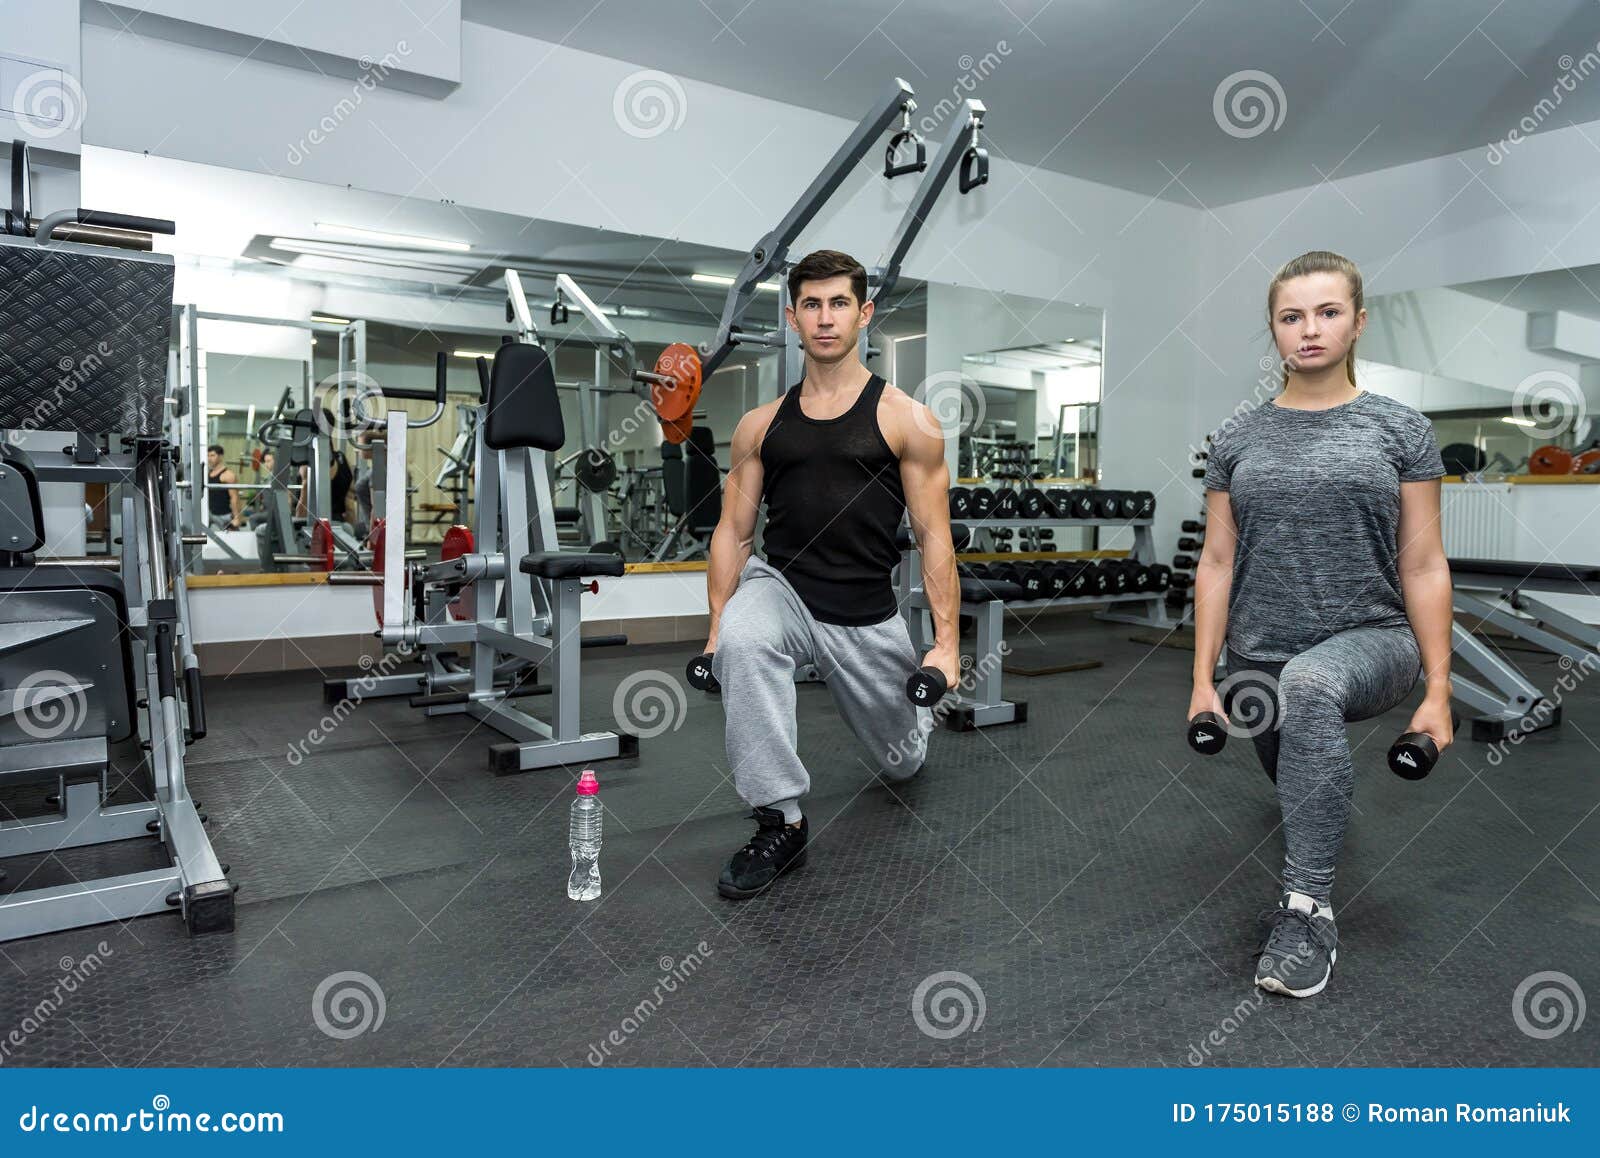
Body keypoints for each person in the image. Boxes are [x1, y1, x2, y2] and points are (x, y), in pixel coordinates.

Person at [1191, 250, 1454, 999]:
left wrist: (1439, 691)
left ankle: (1307, 912)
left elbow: (1424, 563)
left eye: (1328, 312)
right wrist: (1202, 679)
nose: (1310, 330)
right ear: (1274, 329)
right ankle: (1321, 806)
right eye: (1292, 316)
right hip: (1257, 654)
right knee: (1298, 776)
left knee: (1310, 687)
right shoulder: (1238, 436)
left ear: (1358, 322)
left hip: (1374, 638)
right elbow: (1217, 560)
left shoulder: (1399, 429)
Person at [703, 249, 961, 900]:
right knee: (745, 639)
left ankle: (910, 729)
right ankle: (781, 820)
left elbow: (934, 538)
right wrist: (717, 631)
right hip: (783, 590)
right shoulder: (760, 426)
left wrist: (947, 645)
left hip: (867, 614)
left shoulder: (907, 419)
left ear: (863, 314)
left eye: (839, 303)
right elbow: (733, 533)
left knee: (903, 762)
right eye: (812, 305)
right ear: (793, 318)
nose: (825, 318)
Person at [204, 444, 242, 530]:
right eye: (208, 455)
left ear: (220, 457)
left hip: (225, 516)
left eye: (212, 455)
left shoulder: (228, 475)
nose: (209, 458)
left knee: (232, 537)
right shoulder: (208, 474)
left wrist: (236, 518)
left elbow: (234, 497)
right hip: (210, 514)